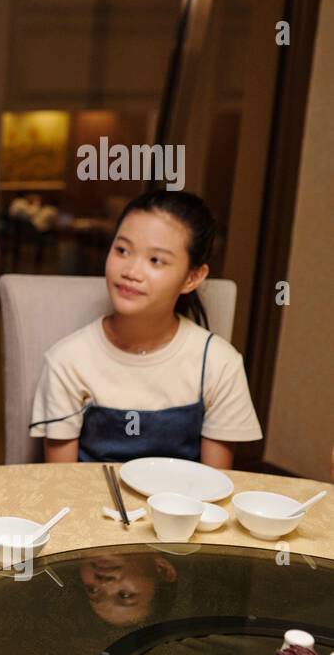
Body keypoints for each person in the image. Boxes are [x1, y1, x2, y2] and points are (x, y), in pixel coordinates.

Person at [31, 190, 262, 468]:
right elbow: (62, 484)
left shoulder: (219, 364)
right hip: (92, 508)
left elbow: (216, 486)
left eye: (156, 260)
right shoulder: (67, 361)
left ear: (192, 277)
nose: (131, 270)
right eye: (122, 250)